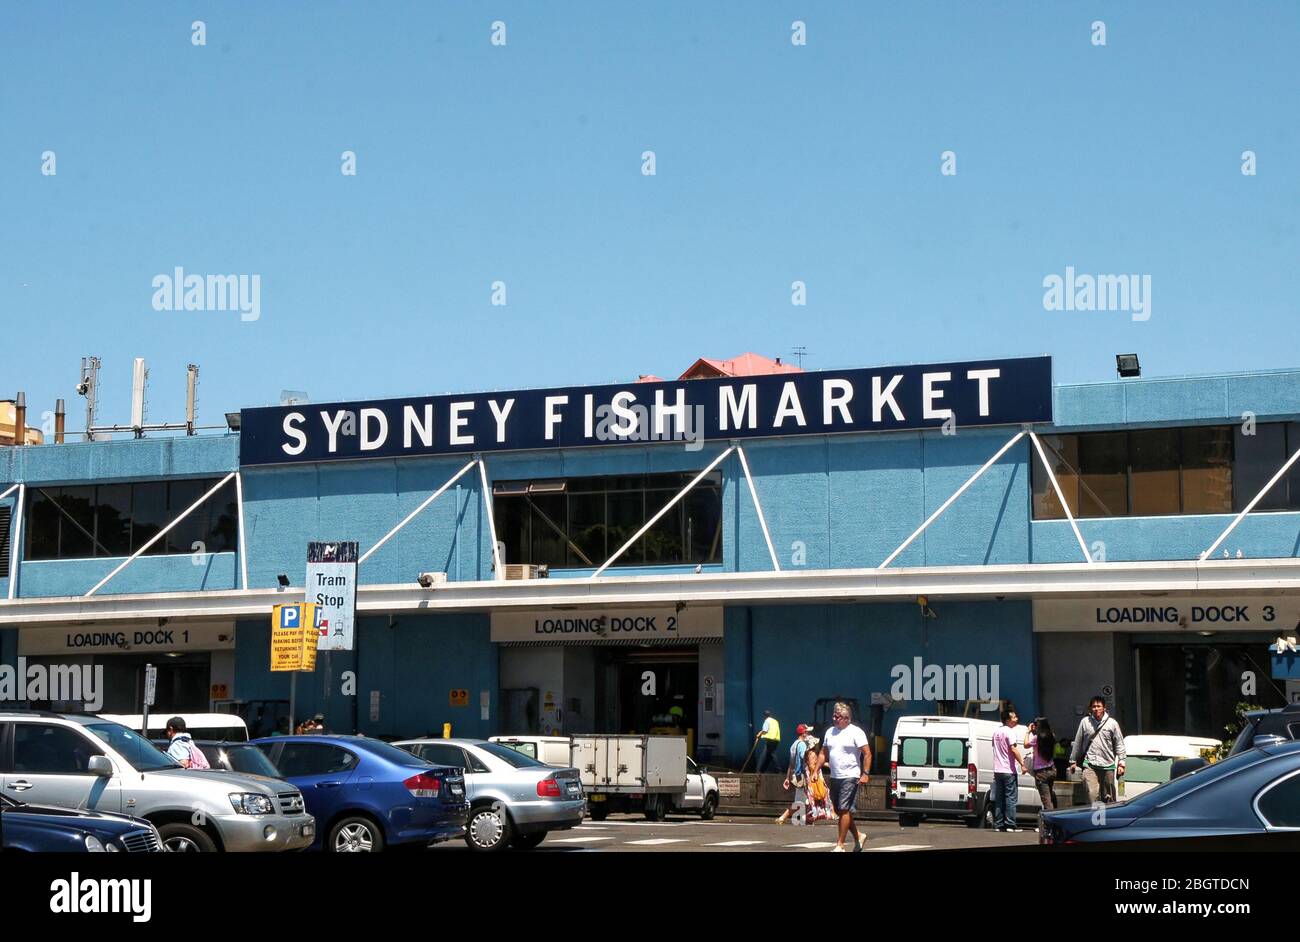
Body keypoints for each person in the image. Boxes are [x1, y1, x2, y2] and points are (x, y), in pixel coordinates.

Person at [812, 702, 871, 852]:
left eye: (837, 716)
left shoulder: (856, 732)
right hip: (835, 776)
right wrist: (815, 771)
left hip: (850, 776)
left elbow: (867, 753)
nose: (834, 718)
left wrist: (865, 774)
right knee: (839, 810)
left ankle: (840, 845)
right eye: (833, 715)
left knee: (844, 809)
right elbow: (823, 753)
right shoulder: (830, 732)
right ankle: (859, 836)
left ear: (847, 718)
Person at [1069, 696, 1126, 804]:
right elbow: (1078, 742)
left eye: (1098, 706)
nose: (1096, 709)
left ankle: (1108, 819)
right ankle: (1096, 820)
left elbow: (1119, 743)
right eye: (1093, 706)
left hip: (1107, 765)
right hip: (1090, 764)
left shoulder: (1112, 723)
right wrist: (1073, 760)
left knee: (1108, 798)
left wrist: (1122, 763)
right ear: (1090, 708)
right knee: (1092, 795)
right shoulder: (1085, 722)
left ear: (1104, 708)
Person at [991, 709, 1028, 832]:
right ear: (1007, 720)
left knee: (999, 798)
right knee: (1011, 798)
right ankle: (1010, 824)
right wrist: (1022, 763)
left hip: (998, 770)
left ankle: (999, 824)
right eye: (1014, 717)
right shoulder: (1010, 732)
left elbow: (995, 748)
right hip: (1008, 770)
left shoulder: (996, 732)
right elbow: (1013, 749)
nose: (1016, 719)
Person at [776, 724, 812, 824]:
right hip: (802, 776)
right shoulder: (802, 745)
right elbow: (804, 759)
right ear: (804, 733)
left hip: (796, 776)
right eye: (807, 732)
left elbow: (791, 763)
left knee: (803, 800)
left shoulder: (793, 745)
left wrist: (787, 777)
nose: (808, 734)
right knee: (801, 801)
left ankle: (805, 820)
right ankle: (783, 817)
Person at [1025, 716, 1058, 811]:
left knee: (1046, 800)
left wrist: (1028, 732)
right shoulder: (1052, 735)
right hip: (1051, 769)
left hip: (1041, 772)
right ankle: (1054, 815)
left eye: (1035, 725)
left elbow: (1026, 744)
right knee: (1050, 795)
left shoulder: (1036, 738)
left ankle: (1051, 822)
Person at [754, 709, 781, 773]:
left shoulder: (767, 721)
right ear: (770, 715)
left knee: (767, 755)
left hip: (770, 739)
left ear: (765, 716)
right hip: (776, 740)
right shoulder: (775, 721)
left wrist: (759, 734)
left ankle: (758, 770)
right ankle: (762, 770)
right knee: (769, 755)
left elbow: (765, 730)